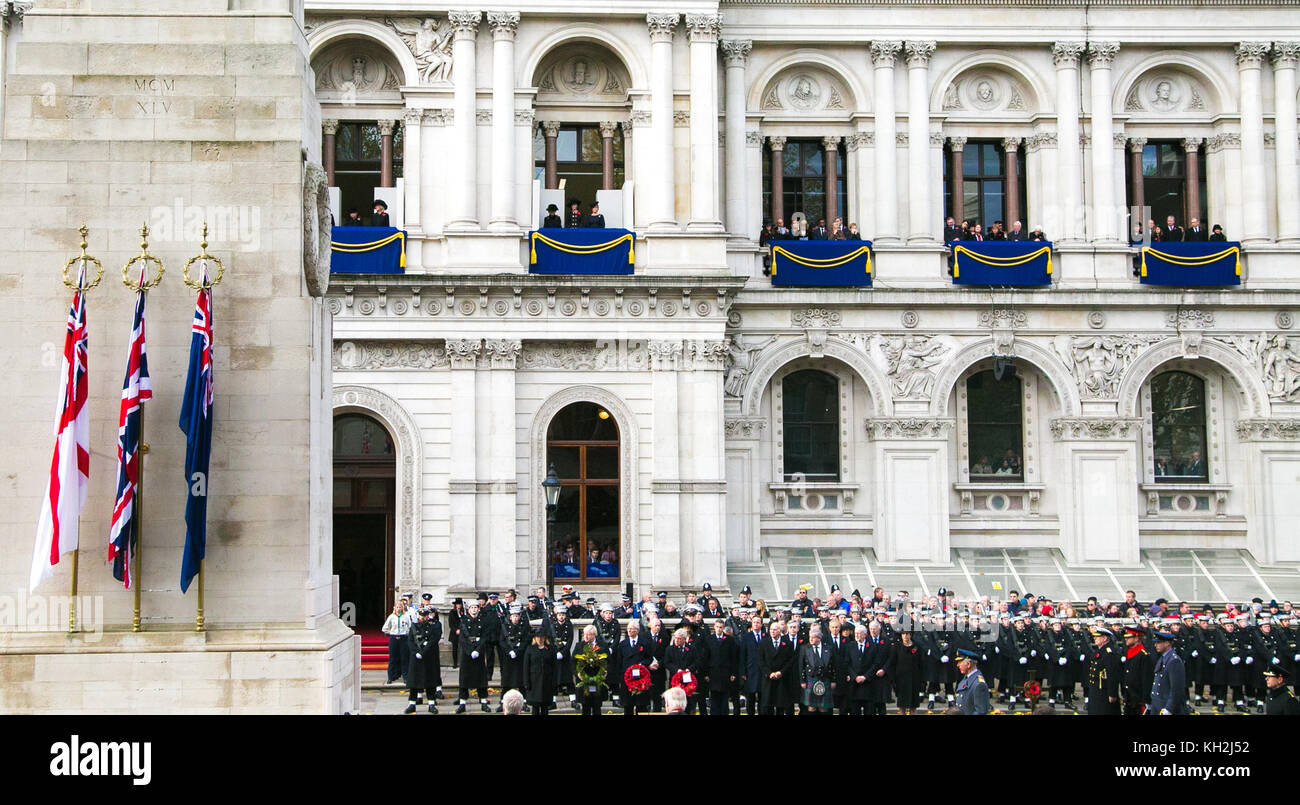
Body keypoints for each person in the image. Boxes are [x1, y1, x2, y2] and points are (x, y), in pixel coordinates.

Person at [614, 619, 654, 715]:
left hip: (641, 678)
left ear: (638, 630)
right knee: (628, 705)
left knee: (641, 705)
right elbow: (619, 662)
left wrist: (642, 664)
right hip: (627, 678)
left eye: (632, 629)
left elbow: (649, 658)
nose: (630, 631)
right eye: (629, 629)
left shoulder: (645, 643)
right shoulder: (622, 644)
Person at [456, 600, 489, 713]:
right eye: (472, 608)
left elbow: (484, 636)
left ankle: (483, 701)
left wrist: (478, 650)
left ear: (479, 609)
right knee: (464, 678)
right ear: (468, 609)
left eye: (476, 607)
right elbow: (462, 639)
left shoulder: (483, 620)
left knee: (481, 678)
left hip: (479, 653)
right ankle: (462, 702)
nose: (474, 609)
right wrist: (470, 651)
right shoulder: (464, 621)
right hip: (467, 653)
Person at [405, 607, 439, 714]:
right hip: (416, 659)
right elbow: (410, 641)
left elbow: (432, 642)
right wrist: (416, 652)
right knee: (414, 682)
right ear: (418, 616)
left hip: (428, 658)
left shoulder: (432, 628)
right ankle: (412, 704)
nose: (423, 617)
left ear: (427, 616)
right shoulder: (413, 628)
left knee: (430, 682)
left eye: (425, 616)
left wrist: (423, 652)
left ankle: (431, 704)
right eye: (421, 616)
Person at [759, 621, 795, 715]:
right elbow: (760, 661)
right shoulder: (764, 643)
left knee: (781, 706)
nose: (772, 631)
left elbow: (790, 661)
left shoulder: (788, 643)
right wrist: (769, 673)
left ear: (779, 631)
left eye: (774, 629)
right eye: (770, 629)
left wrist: (781, 672)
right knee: (768, 706)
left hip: (782, 679)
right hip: (768, 679)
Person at [497, 604, 529, 712]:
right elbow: (501, 640)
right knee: (507, 681)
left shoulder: (523, 627)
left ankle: (524, 702)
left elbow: (525, 640)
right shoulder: (505, 627)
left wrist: (518, 650)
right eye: (513, 616)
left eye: (517, 616)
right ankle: (502, 702)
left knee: (521, 681)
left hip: (519, 657)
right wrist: (509, 651)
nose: (515, 618)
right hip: (508, 657)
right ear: (510, 617)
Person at [1148, 630, 1188, 714]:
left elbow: (1176, 688)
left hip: (1166, 706)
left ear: (1167, 643)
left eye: (1158, 642)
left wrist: (1169, 708)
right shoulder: (1162, 658)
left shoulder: (1174, 661)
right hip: (1158, 704)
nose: (1156, 645)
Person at [1084, 626, 1122, 715]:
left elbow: (1112, 674)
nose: (1095, 639)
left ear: (1104, 638)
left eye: (1097, 637)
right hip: (1096, 690)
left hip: (1104, 691)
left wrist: (1112, 693)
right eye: (1094, 637)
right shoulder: (1099, 651)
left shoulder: (1109, 653)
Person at [705, 619, 739, 715]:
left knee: (724, 698)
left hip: (726, 673)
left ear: (723, 628)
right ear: (714, 628)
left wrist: (733, 673)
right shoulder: (709, 639)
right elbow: (706, 658)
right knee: (714, 698)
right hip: (713, 673)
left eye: (721, 627)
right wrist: (706, 673)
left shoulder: (729, 640)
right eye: (717, 627)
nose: (719, 629)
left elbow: (733, 658)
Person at [1121, 626, 1155, 715]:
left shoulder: (1143, 655)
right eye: (1125, 637)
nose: (1126, 640)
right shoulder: (1129, 652)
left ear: (1136, 638)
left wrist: (1145, 700)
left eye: (1128, 637)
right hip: (1129, 697)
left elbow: (1146, 679)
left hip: (1138, 699)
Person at [523, 629, 556, 715]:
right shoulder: (530, 649)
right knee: (535, 707)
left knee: (545, 707)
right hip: (534, 681)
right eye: (538, 637)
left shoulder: (550, 649)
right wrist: (526, 682)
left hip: (547, 680)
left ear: (545, 638)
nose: (540, 639)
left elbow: (554, 665)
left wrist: (554, 681)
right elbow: (526, 667)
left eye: (541, 637)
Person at [382, 601, 411, 685]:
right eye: (397, 607)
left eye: (400, 607)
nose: (398, 609)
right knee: (393, 658)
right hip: (394, 638)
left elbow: (410, 626)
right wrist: (391, 632)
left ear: (402, 608)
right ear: (394, 608)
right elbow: (384, 628)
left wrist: (406, 633)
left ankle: (405, 677)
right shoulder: (391, 617)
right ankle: (390, 677)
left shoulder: (405, 616)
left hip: (403, 638)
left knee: (404, 658)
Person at [955, 648, 990, 714]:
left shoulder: (979, 685)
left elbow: (980, 712)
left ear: (968, 664)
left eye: (960, 662)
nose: (958, 665)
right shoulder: (967, 678)